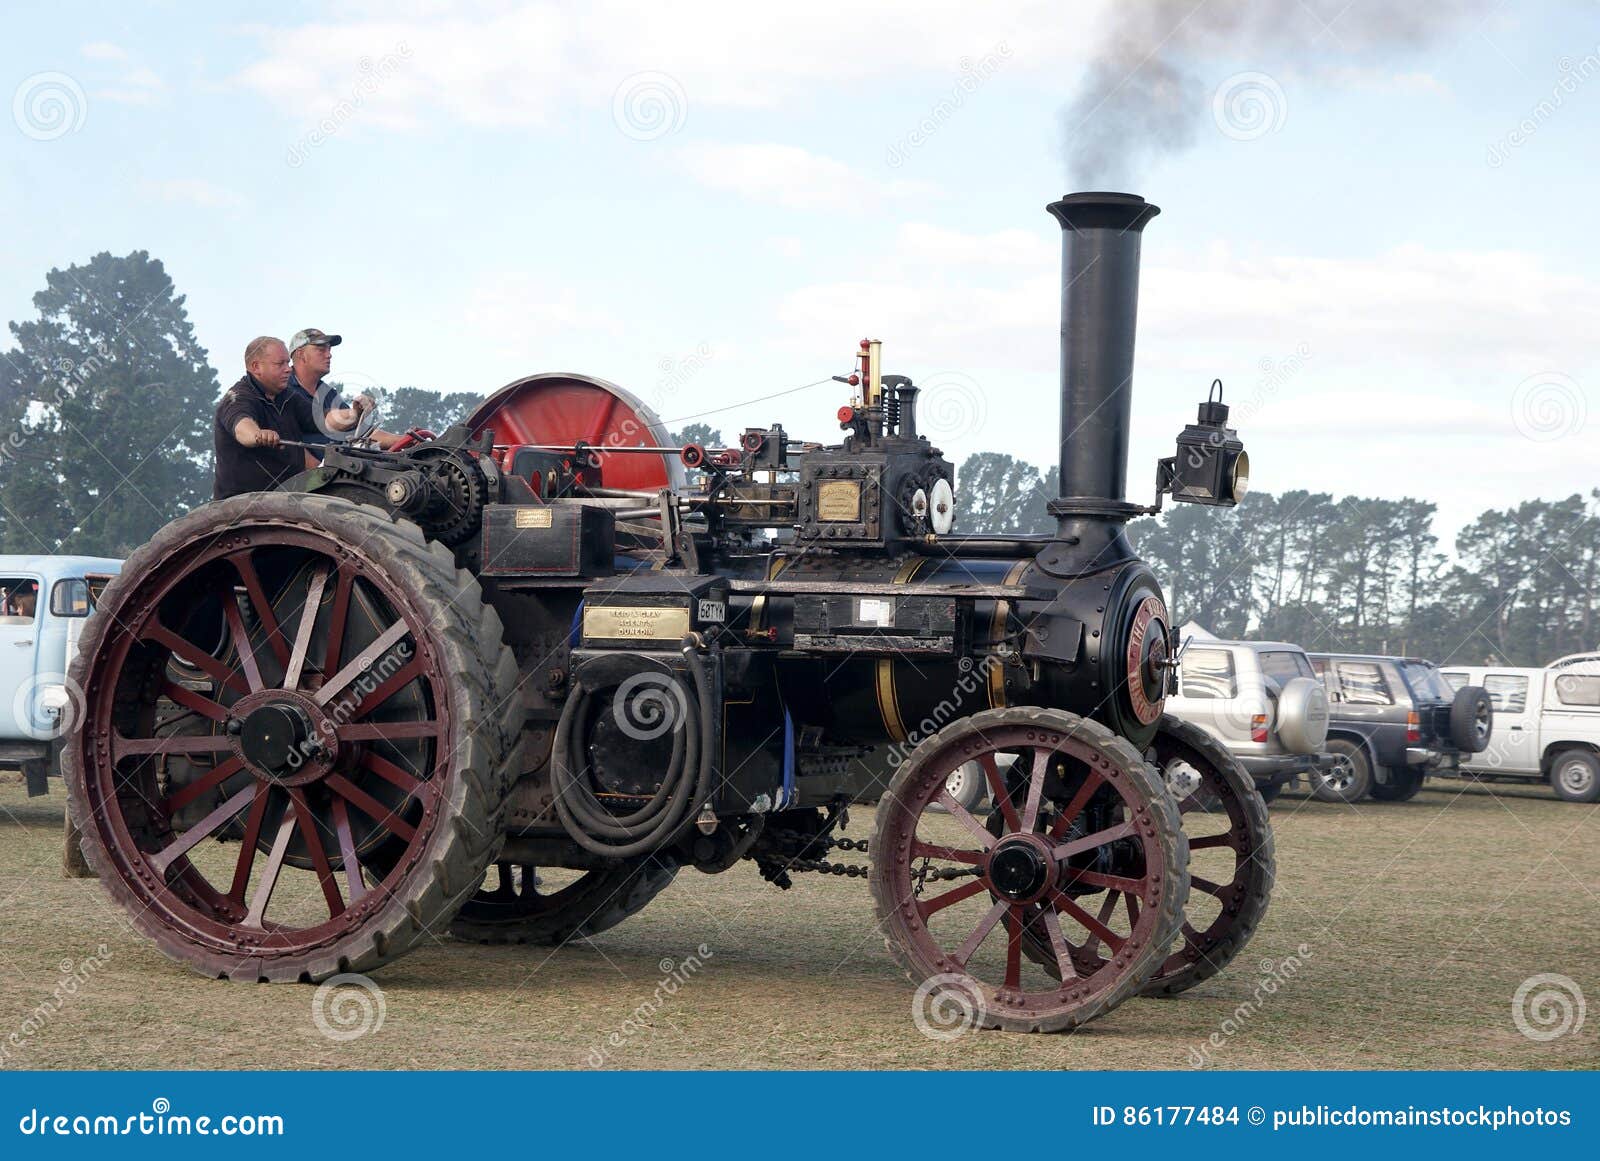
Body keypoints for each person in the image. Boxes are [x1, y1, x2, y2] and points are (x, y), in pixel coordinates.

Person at [212, 336, 319, 500]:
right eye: (280, 364)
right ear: (256, 367)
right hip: (242, 504)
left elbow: (323, 419)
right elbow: (242, 427)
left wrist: (352, 414)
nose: (288, 369)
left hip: (285, 498)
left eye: (287, 362)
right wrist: (258, 435)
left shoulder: (287, 396)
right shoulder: (238, 398)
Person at [287, 328, 399, 451]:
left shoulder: (328, 394)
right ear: (300, 354)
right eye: (321, 349)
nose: (329, 355)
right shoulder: (281, 389)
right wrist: (354, 414)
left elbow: (362, 432)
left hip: (336, 467)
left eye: (329, 349)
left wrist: (406, 440)